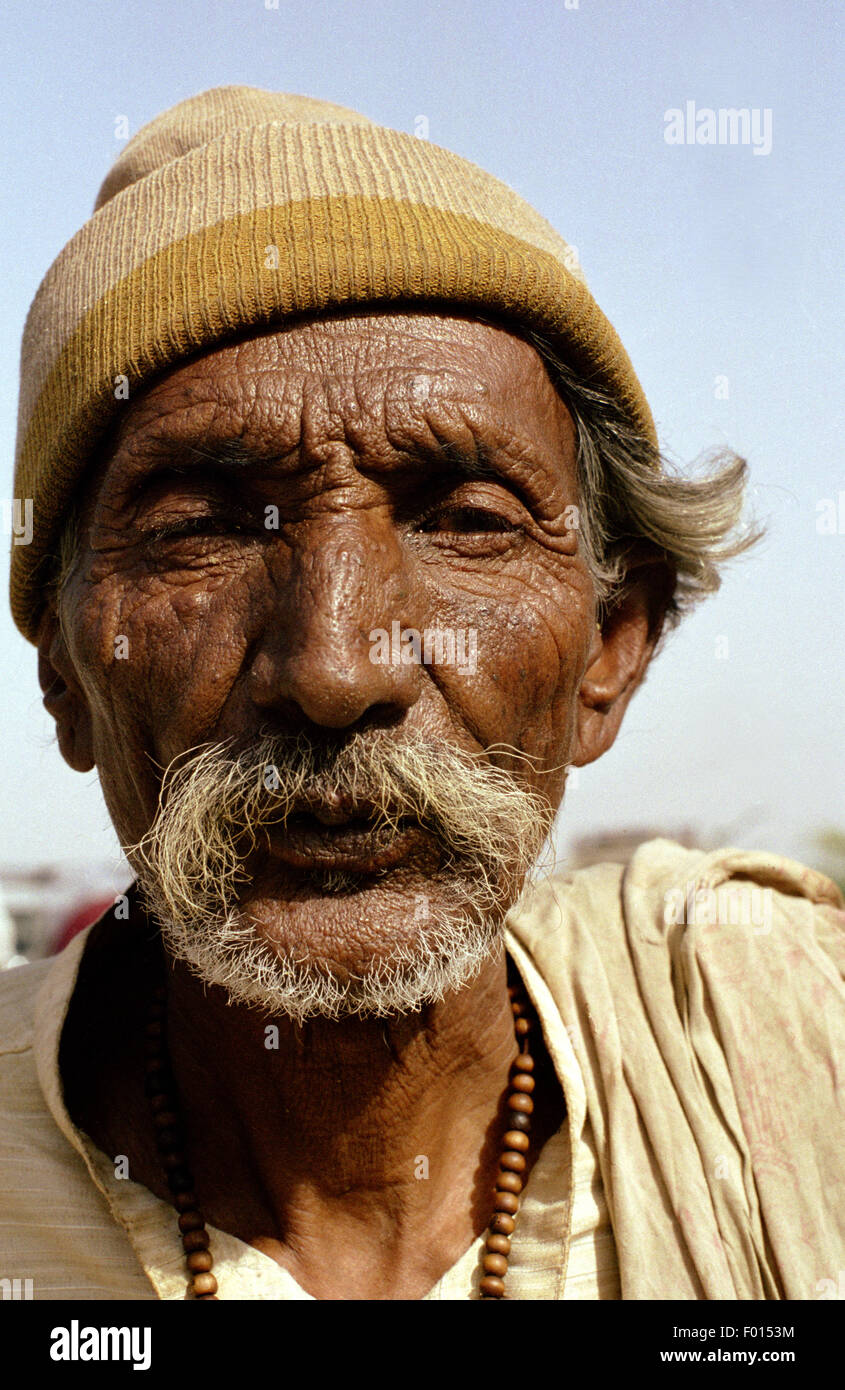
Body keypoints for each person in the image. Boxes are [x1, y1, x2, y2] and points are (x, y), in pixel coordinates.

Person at [2, 86, 842, 1302]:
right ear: (65, 677)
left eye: (463, 519)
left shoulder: (786, 1041)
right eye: (203, 526)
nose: (336, 668)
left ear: (610, 647)